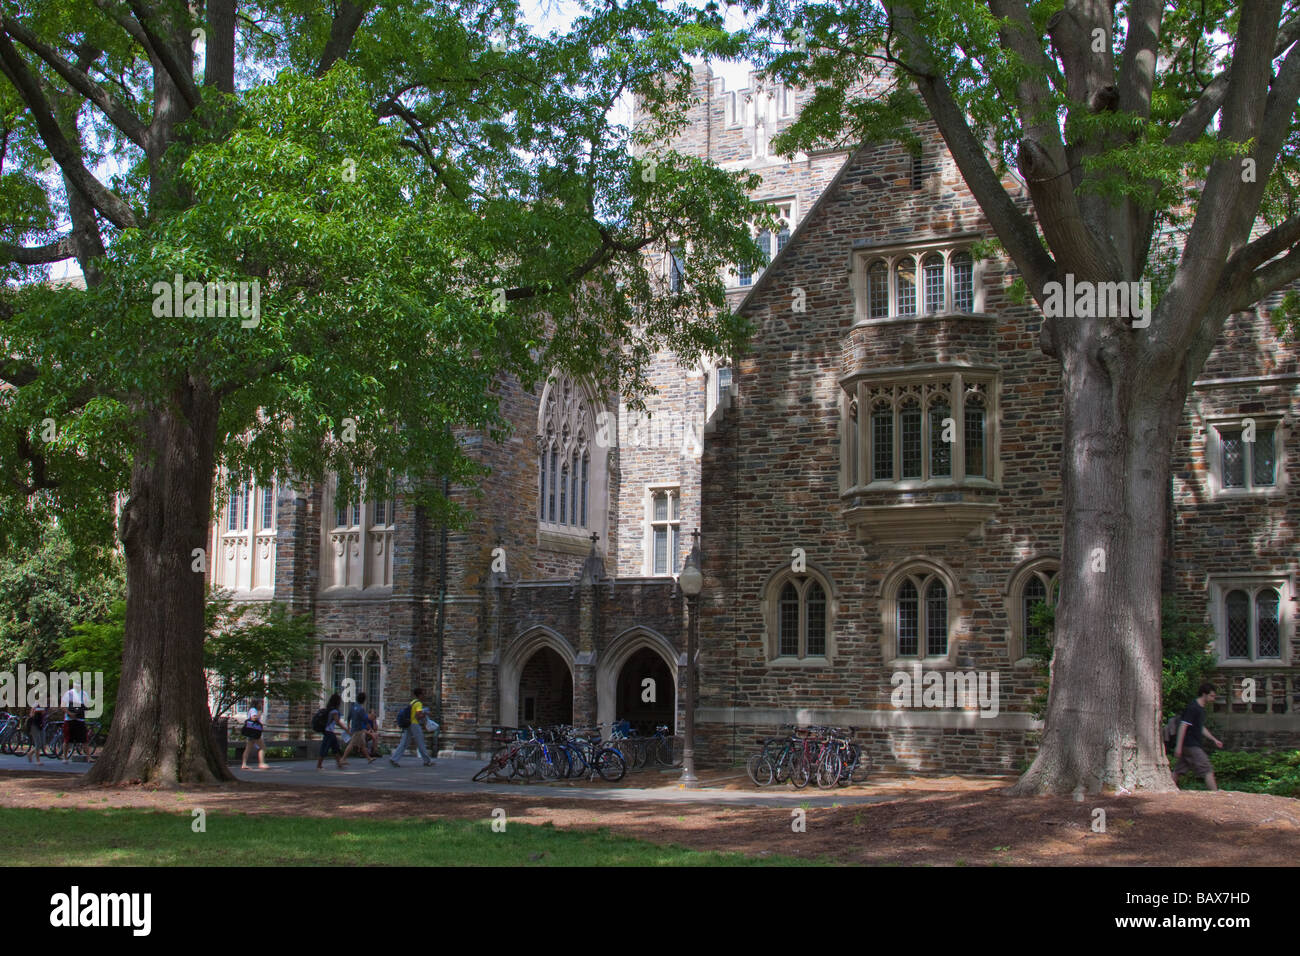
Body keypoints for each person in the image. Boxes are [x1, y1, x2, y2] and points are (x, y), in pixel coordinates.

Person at [1173, 682, 1224, 791]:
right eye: (1211, 696)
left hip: (1190, 744)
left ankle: (1168, 788)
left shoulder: (1201, 709)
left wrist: (1214, 739)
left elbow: (1200, 727)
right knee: (1207, 769)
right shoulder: (1193, 708)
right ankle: (1215, 794)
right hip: (1190, 745)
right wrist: (1178, 746)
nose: (1213, 698)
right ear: (1204, 694)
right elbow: (1183, 726)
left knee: (1179, 770)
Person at [389, 688, 437, 767]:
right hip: (414, 724)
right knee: (420, 742)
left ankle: (394, 758)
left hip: (408, 724)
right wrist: (426, 713)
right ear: (420, 695)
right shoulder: (418, 704)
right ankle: (427, 761)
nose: (424, 696)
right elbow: (418, 715)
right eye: (423, 694)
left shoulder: (412, 702)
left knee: (404, 742)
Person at [339, 692, 378, 764]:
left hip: (355, 728)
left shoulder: (353, 706)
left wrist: (348, 726)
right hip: (358, 729)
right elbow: (365, 720)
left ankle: (369, 758)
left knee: (362, 745)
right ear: (363, 700)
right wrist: (370, 729)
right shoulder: (361, 709)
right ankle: (343, 759)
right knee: (351, 744)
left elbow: (348, 717)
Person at [316, 693, 349, 770]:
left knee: (335, 748)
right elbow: (337, 722)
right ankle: (319, 765)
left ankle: (339, 764)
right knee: (325, 748)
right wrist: (346, 729)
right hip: (329, 732)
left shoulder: (329, 709)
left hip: (330, 732)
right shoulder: (334, 711)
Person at [60, 683, 90, 762]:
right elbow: (62, 706)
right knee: (67, 740)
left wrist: (83, 709)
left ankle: (88, 757)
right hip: (69, 720)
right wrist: (70, 713)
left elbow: (88, 705)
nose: (77, 686)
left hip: (80, 719)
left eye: (79, 684)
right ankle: (65, 757)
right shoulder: (69, 693)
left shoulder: (84, 694)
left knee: (84, 739)